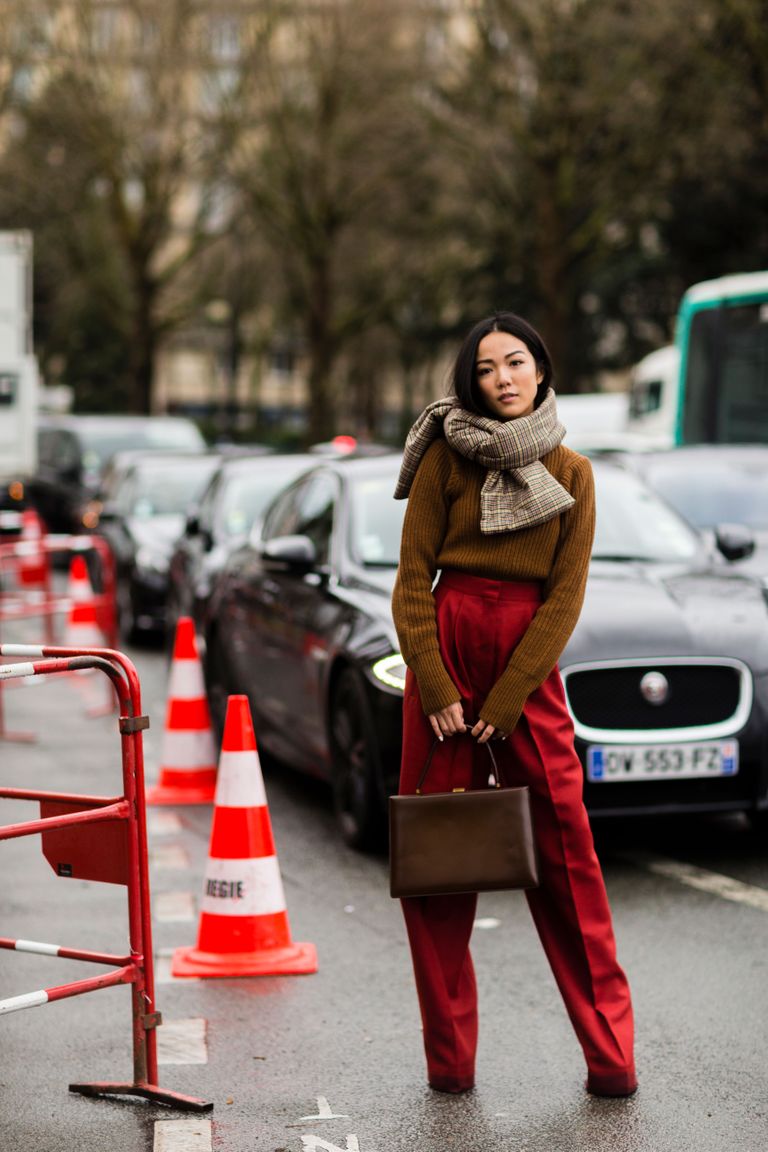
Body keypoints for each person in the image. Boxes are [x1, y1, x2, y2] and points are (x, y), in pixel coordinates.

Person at [391, 312, 636, 1098]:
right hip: (446, 658)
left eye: (516, 361)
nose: (503, 377)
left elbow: (564, 601)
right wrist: (437, 687)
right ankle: (450, 1065)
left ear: (541, 371)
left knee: (569, 856)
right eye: (488, 366)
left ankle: (611, 1058)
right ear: (470, 380)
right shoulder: (443, 461)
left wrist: (508, 694)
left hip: (526, 673)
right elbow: (410, 582)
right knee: (434, 863)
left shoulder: (574, 471)